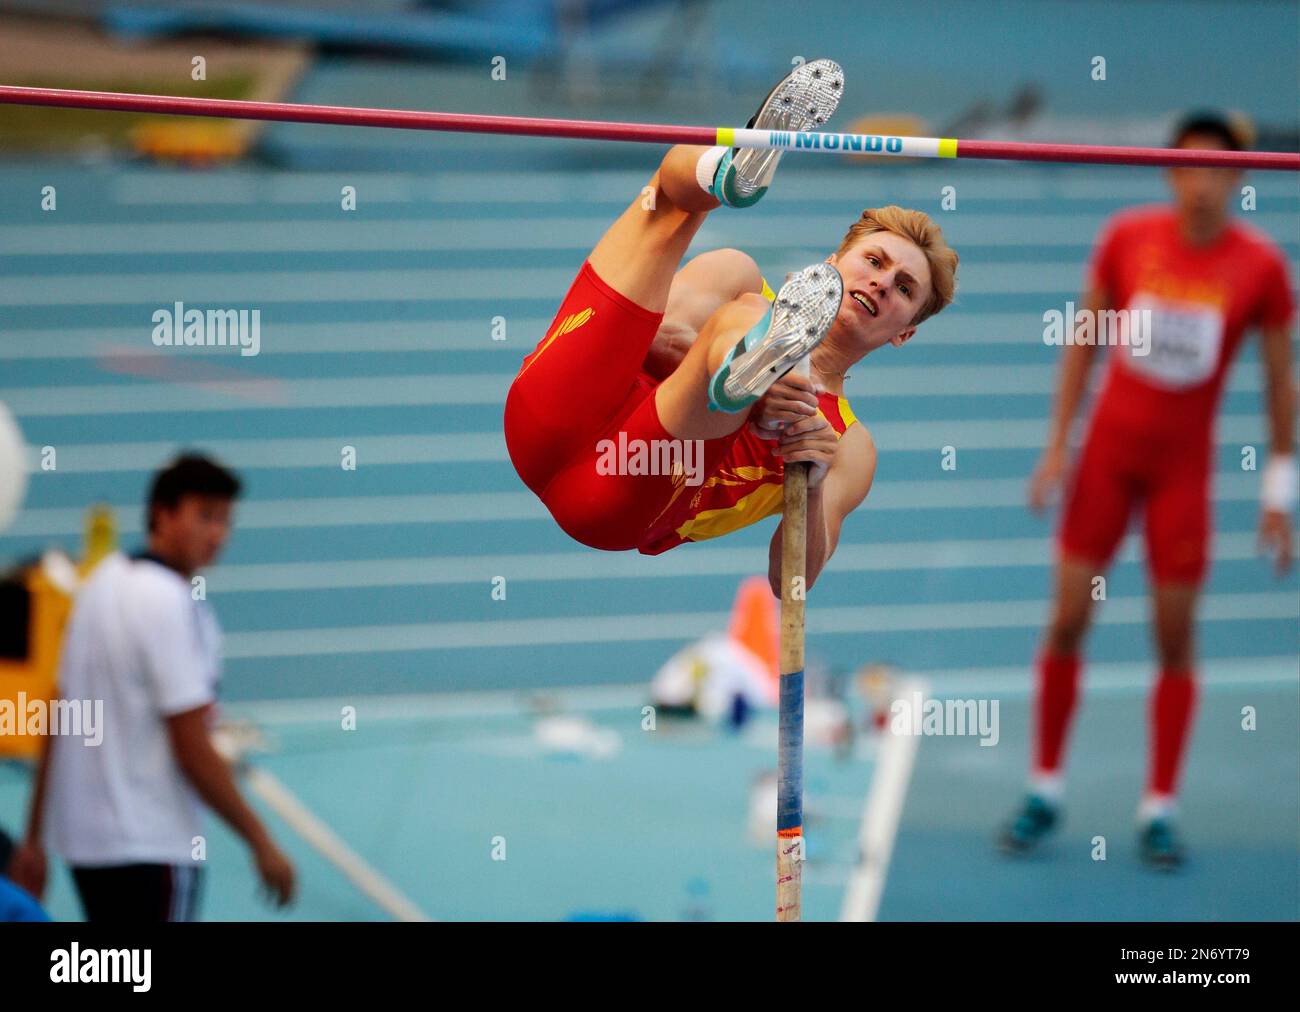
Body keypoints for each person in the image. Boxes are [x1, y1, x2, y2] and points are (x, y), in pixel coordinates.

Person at [503, 60, 959, 594]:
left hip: (628, 490)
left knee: (742, 320)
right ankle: (728, 176)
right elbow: (647, 331)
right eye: (875, 261)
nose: (883, 282)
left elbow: (790, 582)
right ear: (833, 260)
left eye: (905, 288)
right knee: (671, 208)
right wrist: (759, 404)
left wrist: (811, 487)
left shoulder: (850, 448)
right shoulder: (735, 276)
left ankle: (750, 360)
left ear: (905, 332)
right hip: (558, 409)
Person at [1000, 111, 1296, 868]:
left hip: (1181, 476)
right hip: (1106, 460)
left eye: (1216, 167)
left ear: (1238, 176)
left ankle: (1159, 804)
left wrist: (1278, 493)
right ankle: (1045, 787)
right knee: (1068, 619)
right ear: (1169, 171)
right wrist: (1056, 449)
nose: (1200, 180)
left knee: (1173, 638)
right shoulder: (1127, 238)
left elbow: (1279, 382)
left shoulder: (1259, 268)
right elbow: (1083, 346)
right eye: (1187, 165)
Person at [9, 454, 296, 919]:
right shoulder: (170, 602)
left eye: (225, 519)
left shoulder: (100, 585)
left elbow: (58, 713)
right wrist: (260, 840)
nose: (218, 533)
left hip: (87, 847)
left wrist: (34, 835)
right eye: (205, 515)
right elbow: (190, 744)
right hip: (151, 842)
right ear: (162, 514)